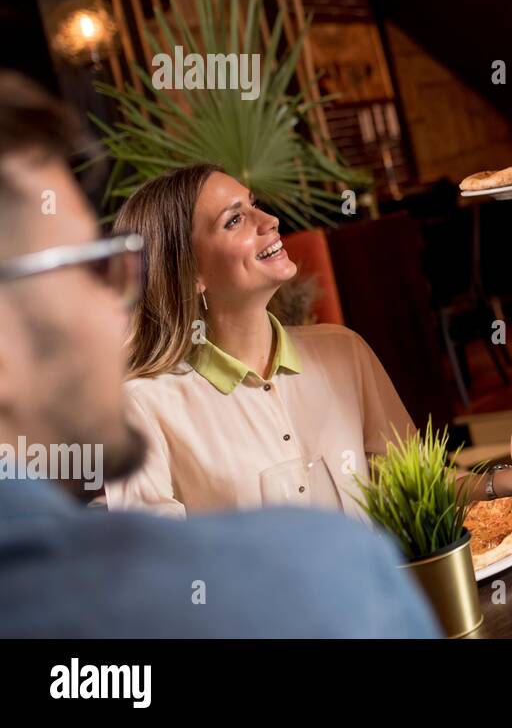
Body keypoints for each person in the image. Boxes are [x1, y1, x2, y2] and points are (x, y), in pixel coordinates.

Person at [0, 71, 439, 636]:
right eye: (82, 269)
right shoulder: (344, 572)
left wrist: (501, 480)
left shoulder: (342, 351)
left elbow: (417, 482)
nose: (115, 306)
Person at [104, 163, 512, 516]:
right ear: (190, 273)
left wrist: (510, 480)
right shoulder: (142, 406)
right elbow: (153, 576)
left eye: (255, 204)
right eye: (234, 220)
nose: (268, 220)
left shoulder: (342, 351)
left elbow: (420, 487)